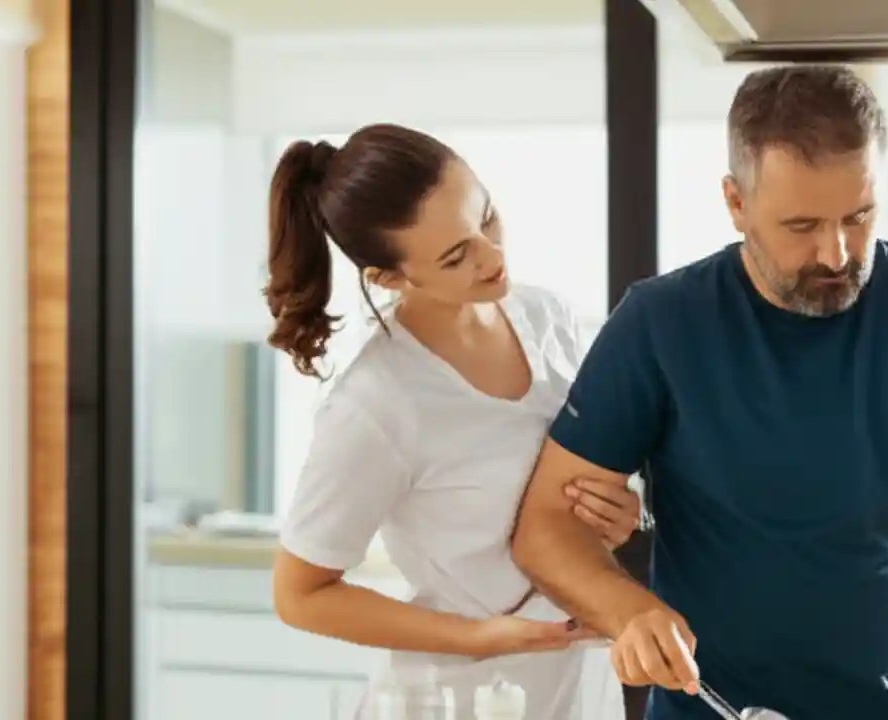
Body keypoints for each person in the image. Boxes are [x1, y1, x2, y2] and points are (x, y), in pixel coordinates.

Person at [511, 65, 888, 720]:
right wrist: (629, 608)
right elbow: (545, 527)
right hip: (719, 710)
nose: (838, 253)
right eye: (802, 226)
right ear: (735, 203)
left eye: (859, 216)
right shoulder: (659, 323)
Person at [264, 123, 637, 720]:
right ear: (389, 278)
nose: (493, 258)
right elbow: (299, 594)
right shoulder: (378, 401)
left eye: (485, 218)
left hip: (579, 683)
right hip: (454, 694)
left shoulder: (547, 317)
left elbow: (566, 492)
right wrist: (474, 636)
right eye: (457, 256)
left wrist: (619, 518)